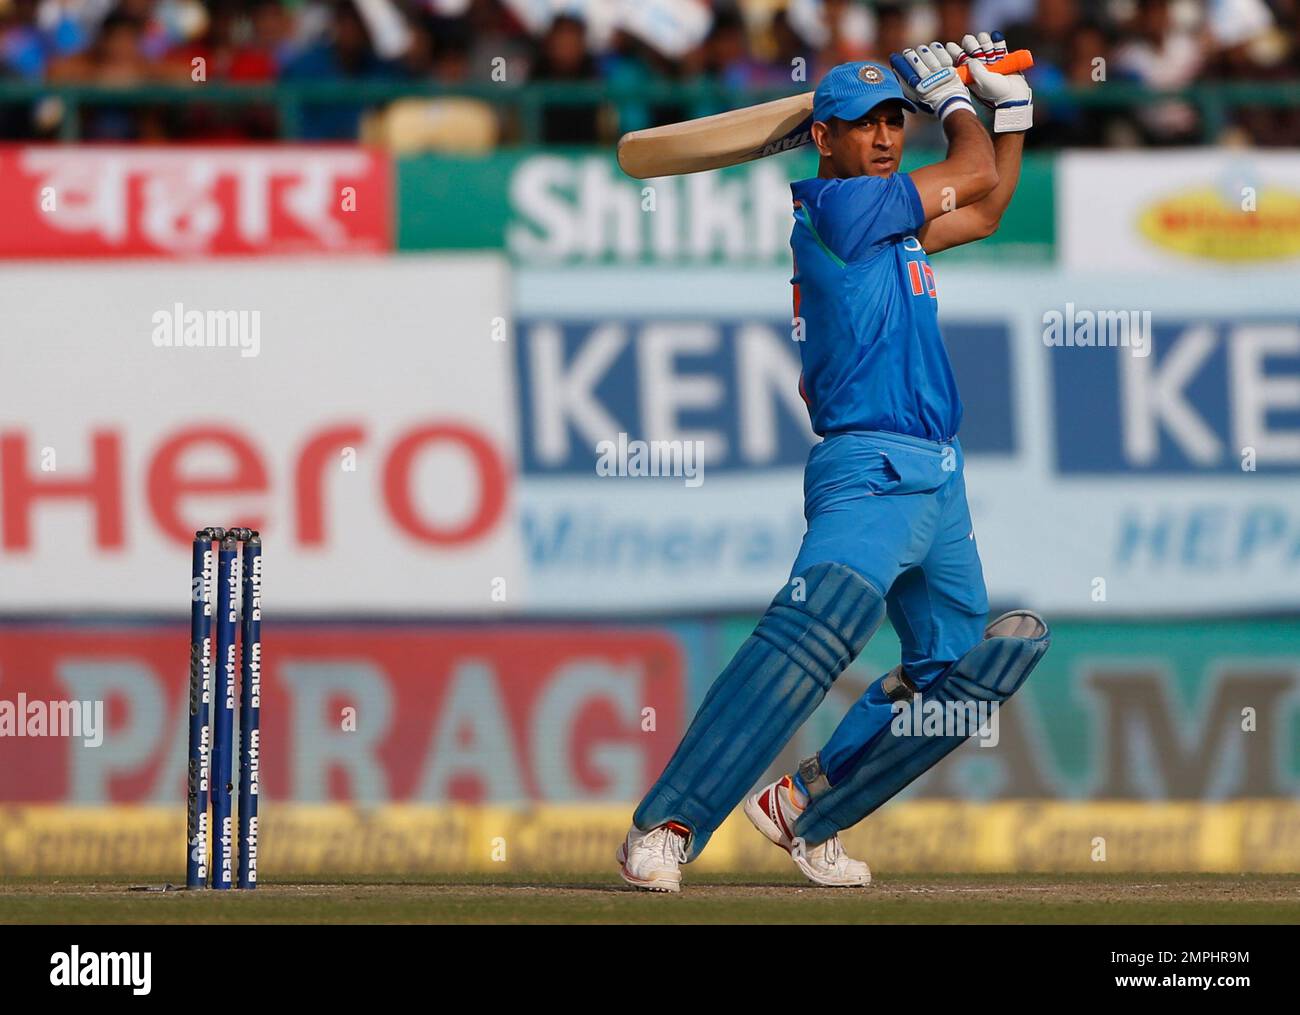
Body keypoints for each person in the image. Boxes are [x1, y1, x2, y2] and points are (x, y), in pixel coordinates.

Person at [617, 33, 1050, 893]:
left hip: (939, 478)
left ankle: (808, 808)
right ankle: (665, 826)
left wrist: (1012, 112)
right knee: (814, 635)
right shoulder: (842, 208)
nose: (886, 136)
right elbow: (964, 169)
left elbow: (989, 203)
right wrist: (954, 103)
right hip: (868, 465)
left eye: (895, 120)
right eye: (864, 124)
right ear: (823, 137)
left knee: (966, 675)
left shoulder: (897, 227)